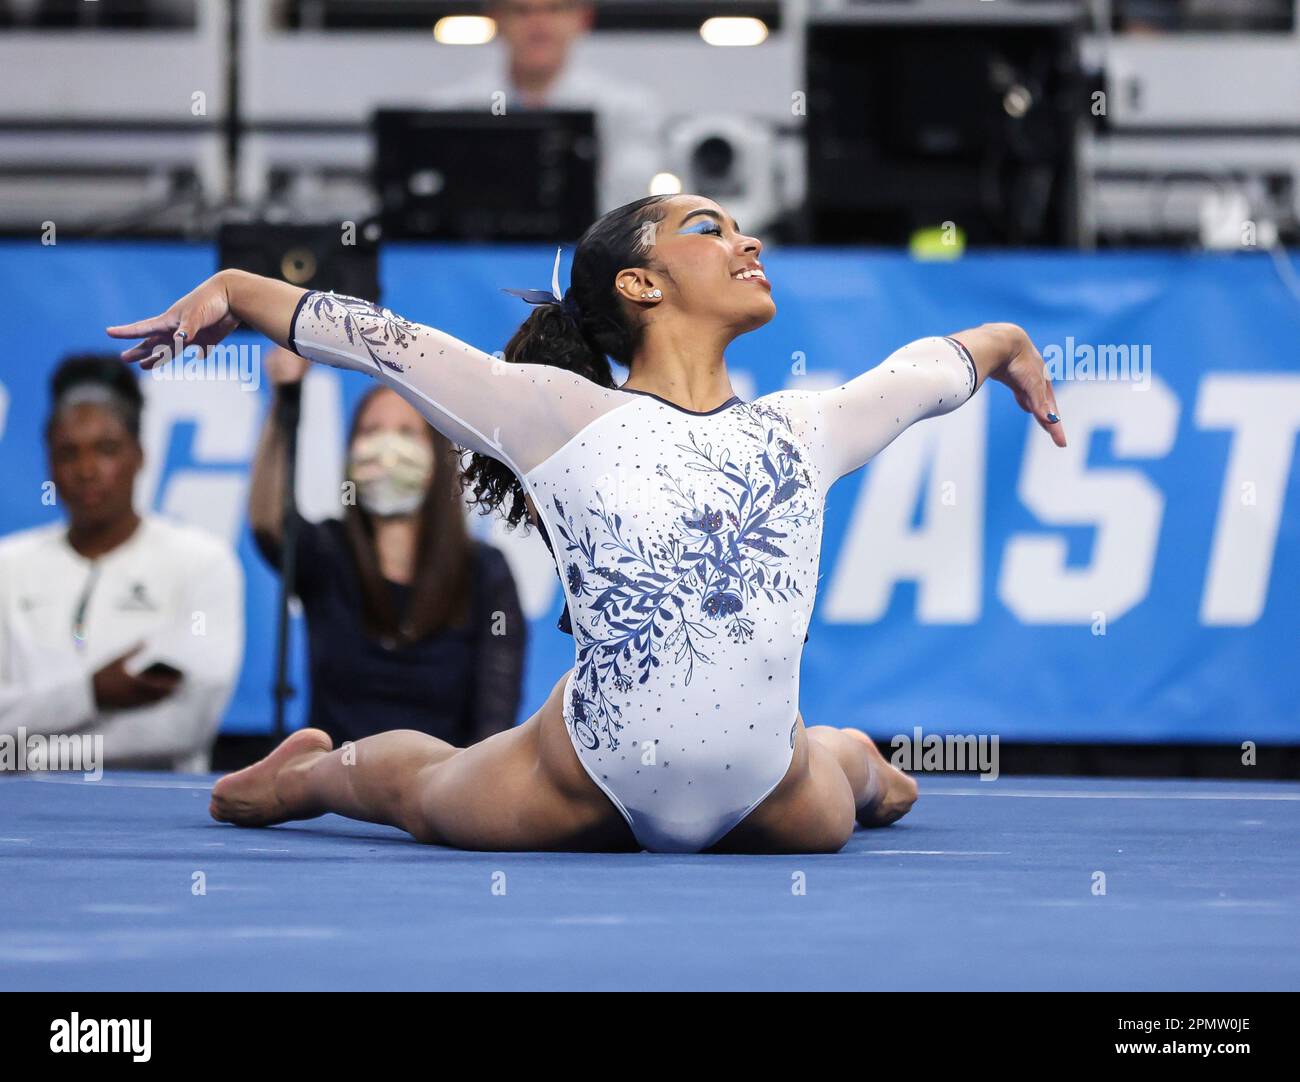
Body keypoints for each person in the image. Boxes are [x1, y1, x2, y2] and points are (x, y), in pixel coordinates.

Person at [107, 193, 1065, 852]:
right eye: (708, 229)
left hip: (770, 786)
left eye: (742, 230)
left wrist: (1009, 343)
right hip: (593, 770)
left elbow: (926, 375)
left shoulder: (803, 428)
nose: (748, 243)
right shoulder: (560, 411)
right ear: (640, 284)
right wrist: (238, 289)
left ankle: (860, 762)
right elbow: (385, 342)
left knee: (846, 784)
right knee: (424, 794)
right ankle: (312, 775)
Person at [248, 346, 526, 747]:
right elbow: (269, 523)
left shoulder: (485, 573)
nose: (387, 448)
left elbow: (495, 722)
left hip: (441, 794)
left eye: (406, 433)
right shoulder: (327, 554)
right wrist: (283, 400)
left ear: (436, 459)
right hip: (333, 789)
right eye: (370, 432)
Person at [0, 355, 243, 772]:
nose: (88, 470)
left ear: (140, 456)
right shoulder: (8, 565)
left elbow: (184, 727)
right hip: (18, 816)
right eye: (68, 453)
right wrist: (92, 692)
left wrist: (29, 748)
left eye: (107, 449)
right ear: (49, 465)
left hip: (157, 819)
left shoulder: (202, 562)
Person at [428, 0, 667, 213]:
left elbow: (632, 202)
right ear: (496, 18)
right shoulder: (452, 109)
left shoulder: (626, 109)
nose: (538, 24)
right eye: (521, 11)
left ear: (583, 18)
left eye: (555, 9)